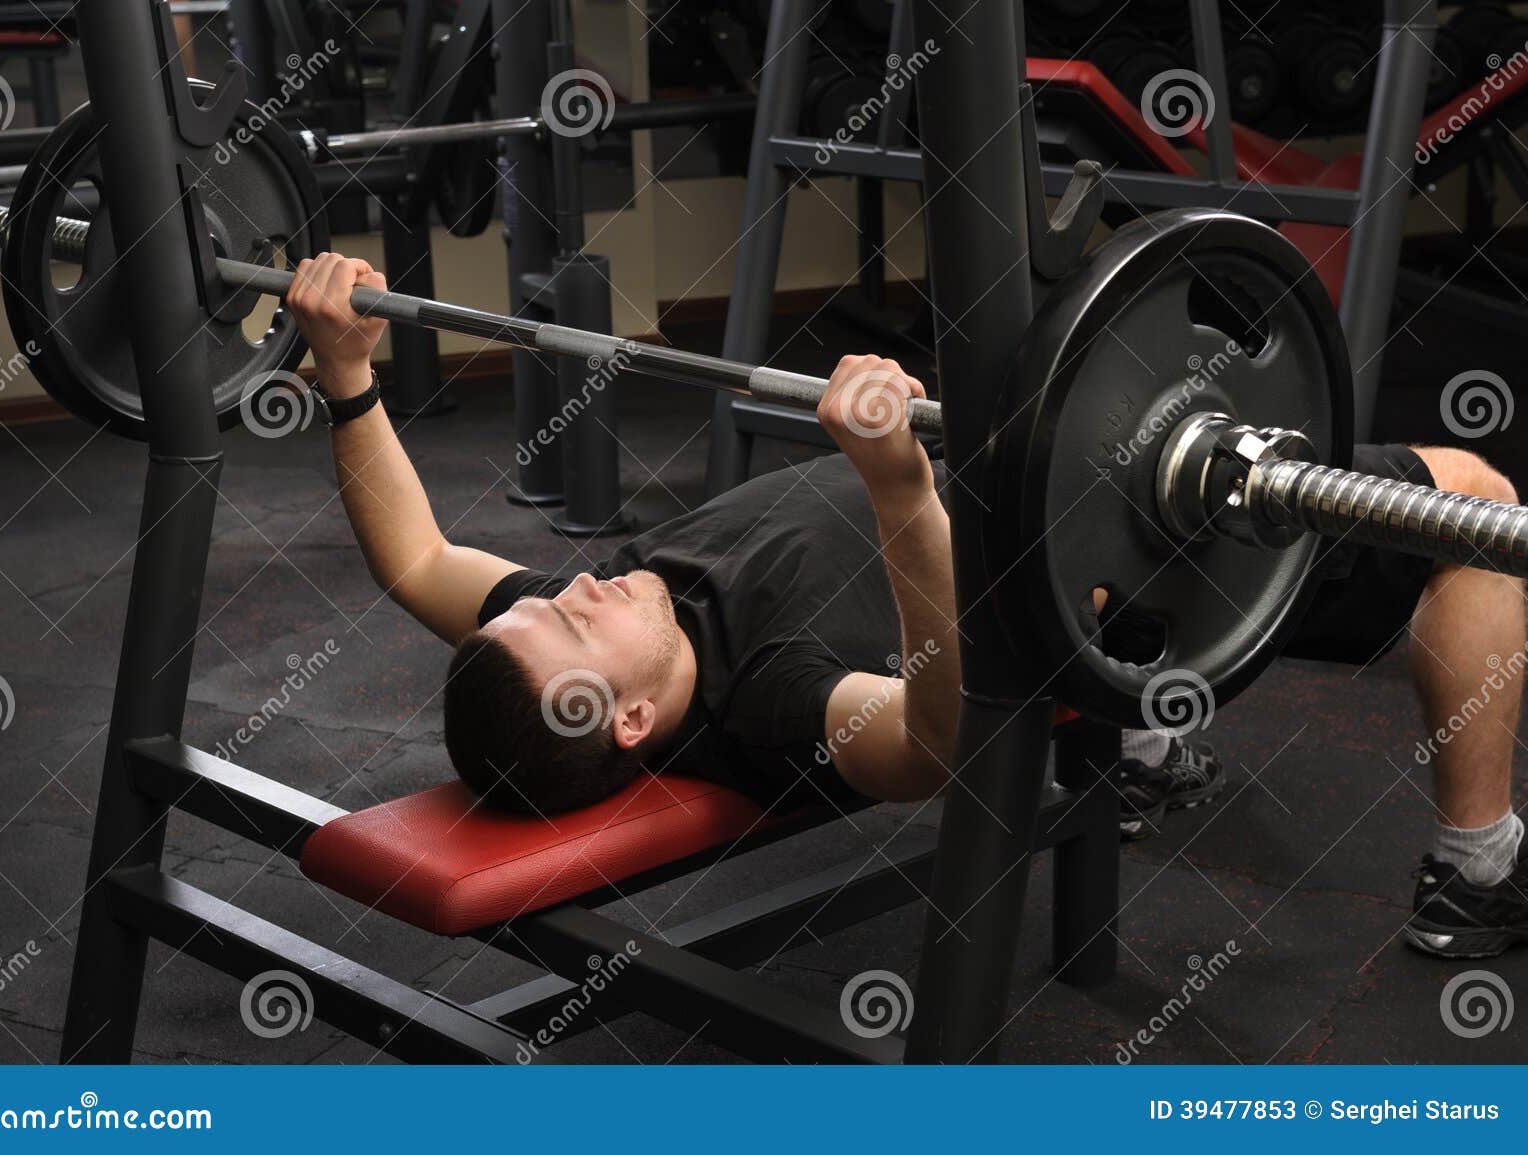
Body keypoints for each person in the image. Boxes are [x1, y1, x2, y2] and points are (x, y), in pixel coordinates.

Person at [284, 252, 1527, 960]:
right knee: (1475, 505)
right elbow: (939, 742)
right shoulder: (775, 701)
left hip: (1038, 472)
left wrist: (344, 371)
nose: (575, 586)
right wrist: (895, 490)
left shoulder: (594, 634)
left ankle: (1137, 723)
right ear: (627, 722)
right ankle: (1475, 870)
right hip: (1130, 527)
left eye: (542, 600)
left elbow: (415, 560)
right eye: (572, 622)